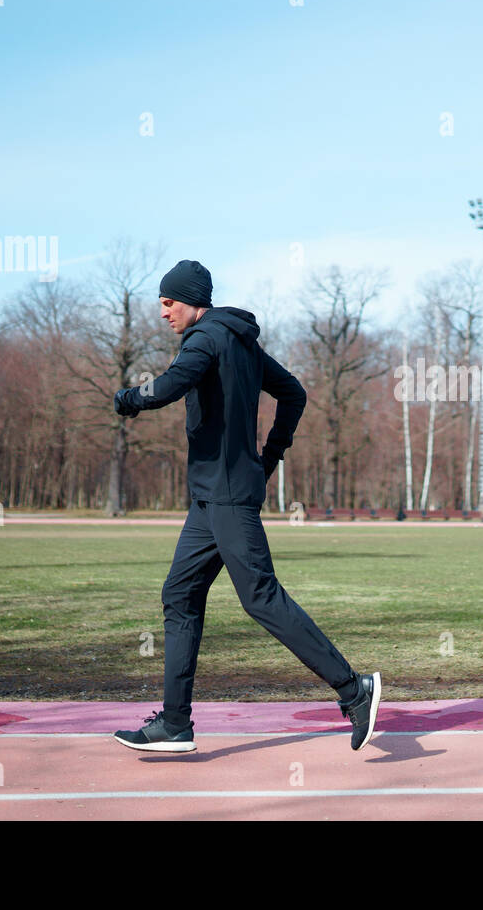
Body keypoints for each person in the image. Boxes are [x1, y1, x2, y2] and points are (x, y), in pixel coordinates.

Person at [110, 259, 380, 753]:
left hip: (228, 498)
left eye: (169, 302)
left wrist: (130, 397)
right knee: (180, 595)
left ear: (192, 300)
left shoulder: (205, 340)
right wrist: (268, 458)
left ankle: (353, 688)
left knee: (260, 598)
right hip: (211, 500)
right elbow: (292, 392)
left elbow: (170, 384)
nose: (164, 312)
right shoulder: (243, 343)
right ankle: (174, 723)